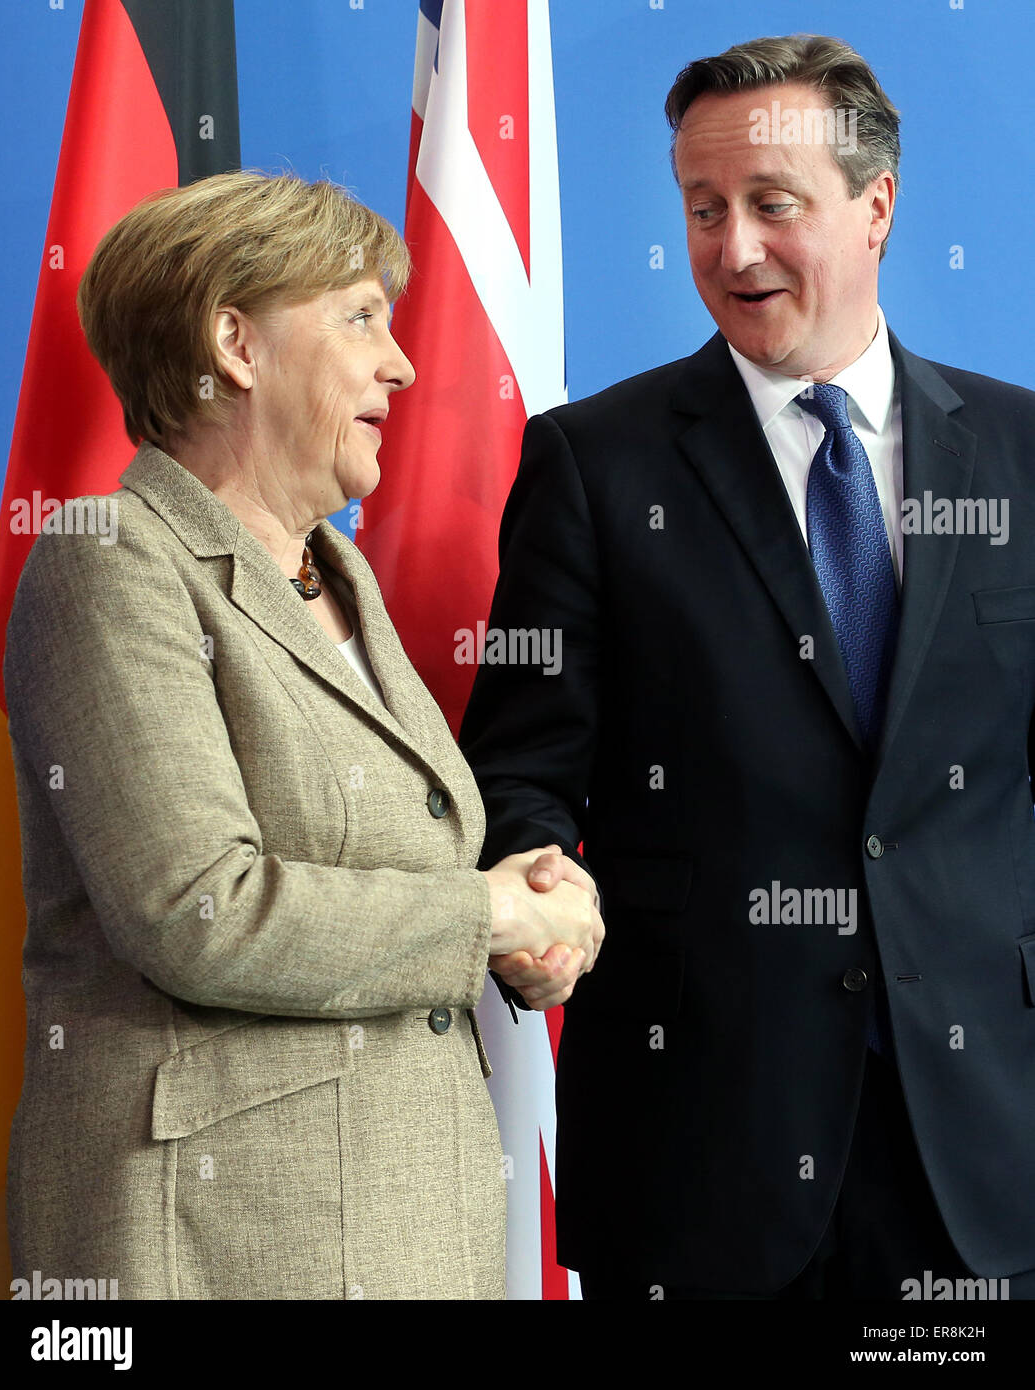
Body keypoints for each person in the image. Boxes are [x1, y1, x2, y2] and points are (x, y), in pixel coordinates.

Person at [460, 34, 1035, 1299]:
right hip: (699, 1147)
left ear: (877, 206)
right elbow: (518, 764)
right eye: (703, 208)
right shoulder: (594, 465)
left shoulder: (1019, 451)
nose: (731, 250)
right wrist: (535, 880)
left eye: (774, 205)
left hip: (985, 1148)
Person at [3, 170, 602, 1301]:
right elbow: (199, 908)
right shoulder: (112, 557)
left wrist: (521, 916)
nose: (404, 362)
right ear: (233, 341)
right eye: (361, 317)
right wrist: (480, 913)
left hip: (401, 1218)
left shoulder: (340, 574)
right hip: (220, 1239)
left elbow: (381, 857)